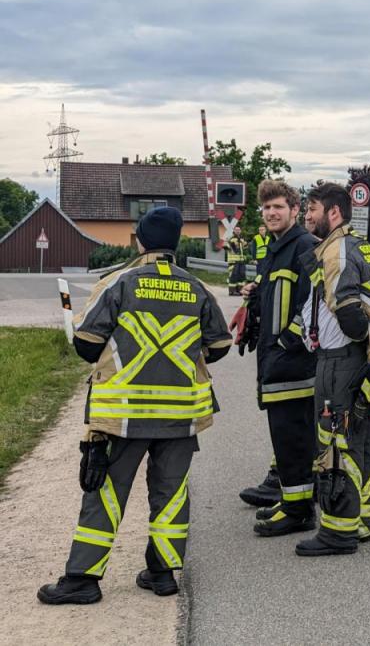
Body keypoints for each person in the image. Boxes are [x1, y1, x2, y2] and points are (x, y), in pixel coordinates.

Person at [37, 206, 232, 605]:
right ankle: (162, 575)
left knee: (106, 492)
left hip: (124, 415)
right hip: (180, 416)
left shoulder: (118, 282)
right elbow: (220, 345)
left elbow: (87, 344)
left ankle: (82, 580)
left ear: (140, 240)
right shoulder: (197, 288)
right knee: (171, 493)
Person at [295, 183, 370, 556]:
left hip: (341, 361)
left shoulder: (338, 250)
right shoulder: (360, 245)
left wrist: (356, 343)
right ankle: (360, 521)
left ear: (334, 213)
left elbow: (347, 309)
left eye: (312, 209)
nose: (307, 216)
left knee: (336, 442)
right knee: (361, 442)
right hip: (358, 359)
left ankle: (337, 532)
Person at [237, 180, 319, 537]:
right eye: (267, 208)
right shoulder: (275, 248)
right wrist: (255, 296)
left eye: (278, 207)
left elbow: (315, 303)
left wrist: (287, 342)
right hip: (276, 361)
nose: (271, 213)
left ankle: (299, 511)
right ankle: (291, 500)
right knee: (284, 436)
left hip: (295, 364)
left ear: (294, 210)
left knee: (294, 437)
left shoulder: (305, 247)